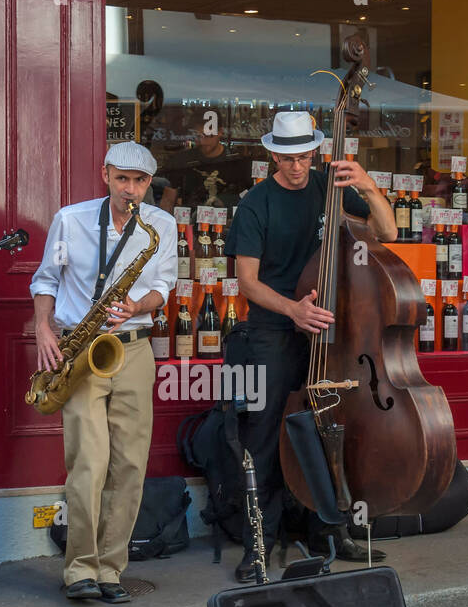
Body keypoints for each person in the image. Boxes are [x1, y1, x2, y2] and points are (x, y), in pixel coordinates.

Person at [223, 110, 397, 582]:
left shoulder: (330, 189)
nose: (296, 166)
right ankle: (258, 544)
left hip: (327, 329)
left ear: (315, 152)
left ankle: (332, 530)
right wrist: (293, 310)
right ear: (272, 154)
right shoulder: (255, 203)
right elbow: (248, 283)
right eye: (286, 157)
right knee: (261, 436)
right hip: (273, 331)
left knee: (330, 428)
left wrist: (367, 185)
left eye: (303, 156)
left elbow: (387, 232)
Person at [30, 141, 177, 602]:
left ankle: (112, 568)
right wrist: (42, 328)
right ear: (105, 175)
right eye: (122, 179)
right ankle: (79, 569)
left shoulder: (161, 225)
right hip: (81, 348)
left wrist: (138, 303)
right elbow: (46, 279)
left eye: (139, 182)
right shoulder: (70, 219)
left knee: (130, 465)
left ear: (149, 183)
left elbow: (165, 286)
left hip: (133, 349)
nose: (130, 190)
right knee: (89, 464)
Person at [162, 108, 253, 209]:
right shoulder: (182, 161)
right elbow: (168, 201)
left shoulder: (237, 162)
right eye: (198, 136)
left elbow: (251, 198)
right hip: (188, 222)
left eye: (208, 135)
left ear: (220, 132)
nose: (202, 141)